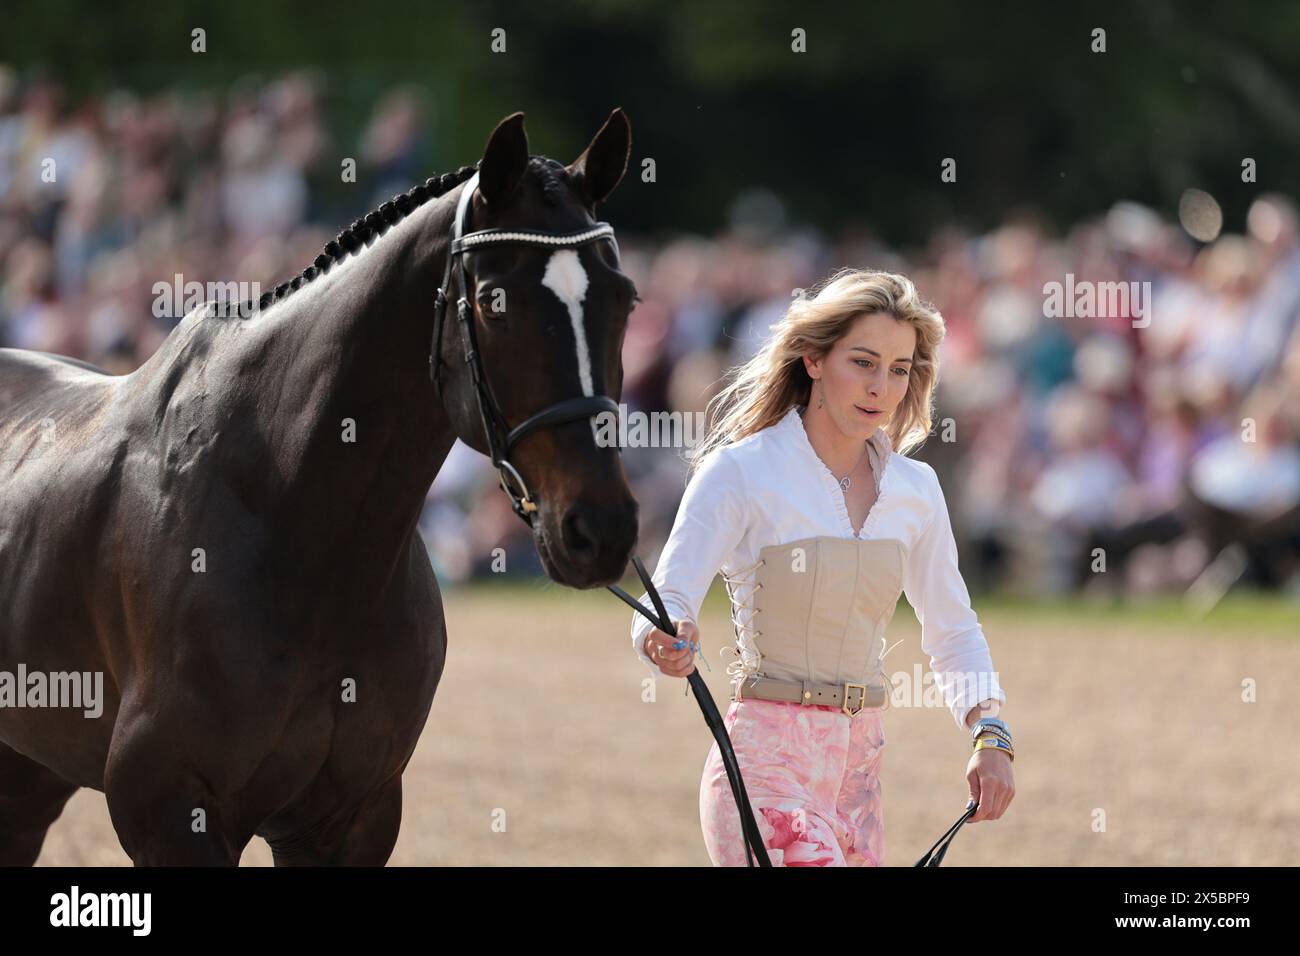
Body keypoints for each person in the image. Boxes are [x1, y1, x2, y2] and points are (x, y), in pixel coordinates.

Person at [630, 268, 1015, 866]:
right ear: (813, 359)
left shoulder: (918, 490)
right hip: (761, 770)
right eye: (862, 362)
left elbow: (953, 629)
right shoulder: (740, 472)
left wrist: (991, 733)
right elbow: (667, 599)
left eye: (898, 369)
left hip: (859, 779)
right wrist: (665, 635)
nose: (880, 387)